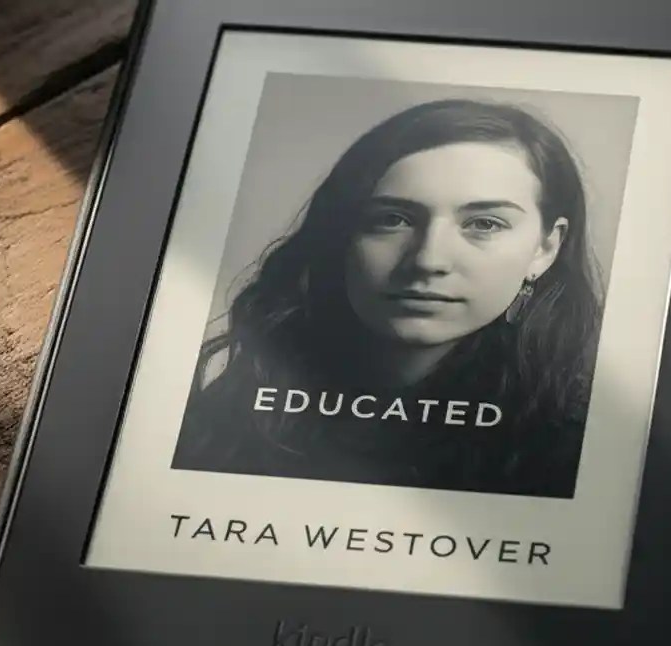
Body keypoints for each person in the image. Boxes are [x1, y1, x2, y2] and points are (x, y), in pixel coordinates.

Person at [172, 98, 603, 498]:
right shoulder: (230, 414)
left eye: (485, 224)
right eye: (393, 219)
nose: (428, 260)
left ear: (545, 248)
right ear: (343, 235)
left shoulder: (577, 448)